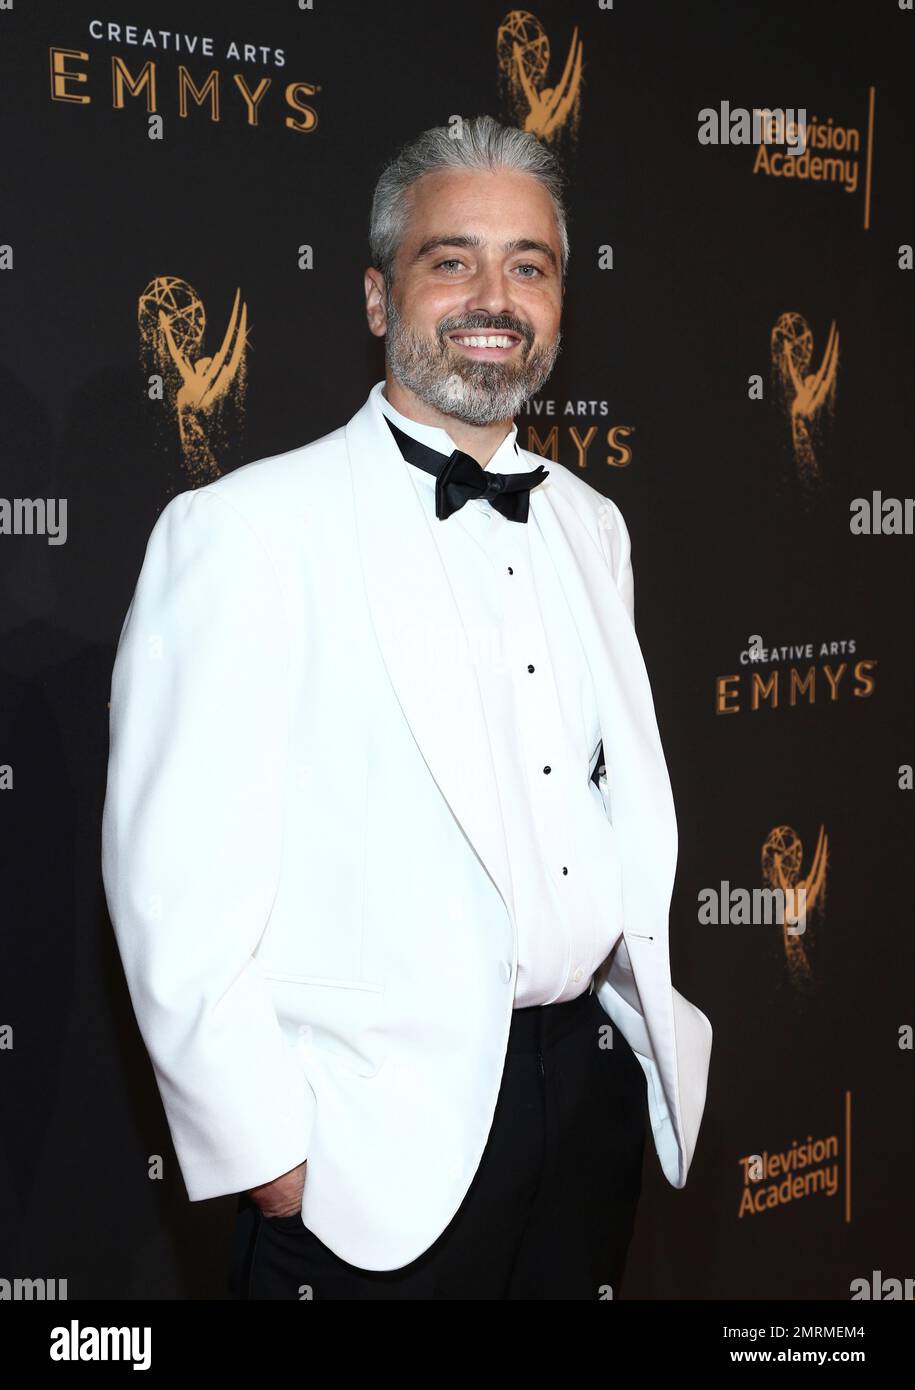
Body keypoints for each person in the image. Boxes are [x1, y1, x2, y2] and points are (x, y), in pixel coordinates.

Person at [101, 114, 712, 1300]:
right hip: (372, 1151)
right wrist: (269, 1151)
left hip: (584, 1104)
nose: (495, 294)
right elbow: (171, 881)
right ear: (381, 298)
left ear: (560, 306)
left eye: (528, 265)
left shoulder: (594, 526)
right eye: (454, 259)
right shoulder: (246, 532)